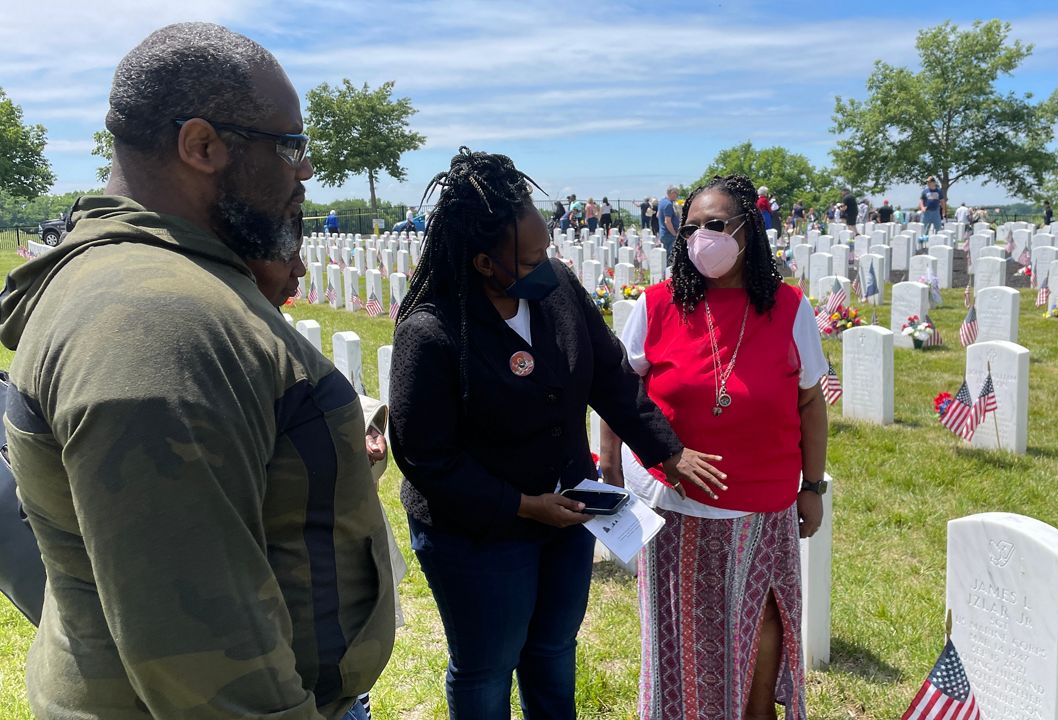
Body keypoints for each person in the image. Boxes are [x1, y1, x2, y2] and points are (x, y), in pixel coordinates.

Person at [1, 22, 392, 720]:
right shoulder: (156, 322)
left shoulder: (168, 285)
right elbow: (204, 665)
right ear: (202, 146)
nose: (305, 172)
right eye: (291, 146)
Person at [389, 148, 724, 720]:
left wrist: (667, 451)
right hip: (476, 535)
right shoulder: (433, 331)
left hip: (568, 514)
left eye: (547, 251)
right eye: (529, 259)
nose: (546, 266)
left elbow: (612, 377)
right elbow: (426, 457)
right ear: (483, 263)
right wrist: (521, 506)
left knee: (551, 651)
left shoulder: (559, 290)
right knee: (487, 667)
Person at [599, 174, 827, 720]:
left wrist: (812, 487)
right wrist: (609, 467)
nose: (702, 236)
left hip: (763, 514)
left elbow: (811, 403)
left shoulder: (790, 308)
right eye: (692, 227)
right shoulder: (655, 305)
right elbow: (619, 391)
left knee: (758, 650)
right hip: (676, 516)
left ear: (750, 231)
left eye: (717, 224)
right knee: (684, 653)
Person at [247, 229, 409, 720]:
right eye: (286, 259)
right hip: (291, 629)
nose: (299, 271)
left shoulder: (269, 329)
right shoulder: (232, 345)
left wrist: (360, 428)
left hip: (335, 625)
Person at [658, 185, 680, 255]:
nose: (677, 195)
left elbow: (658, 215)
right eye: (676, 193)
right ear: (672, 193)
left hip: (663, 232)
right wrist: (674, 234)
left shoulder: (662, 201)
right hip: (669, 234)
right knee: (670, 257)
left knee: (665, 256)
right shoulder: (668, 204)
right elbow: (667, 221)